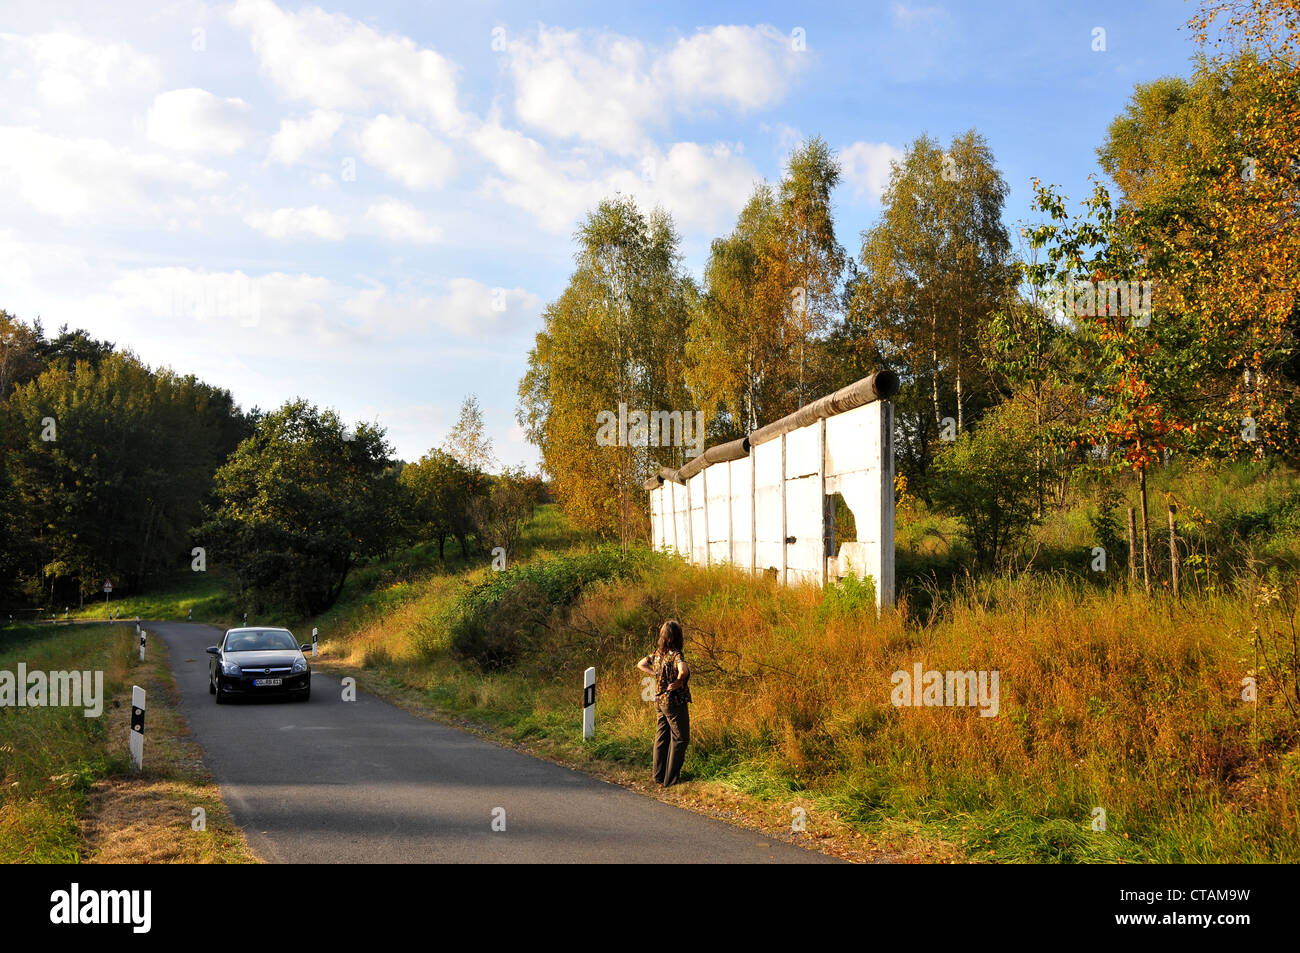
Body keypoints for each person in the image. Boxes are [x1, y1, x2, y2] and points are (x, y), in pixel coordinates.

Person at [636, 620, 691, 787]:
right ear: (677, 636)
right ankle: (672, 779)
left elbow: (640, 664)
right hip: (673, 701)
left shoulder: (657, 655)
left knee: (662, 737)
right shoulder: (676, 655)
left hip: (658, 700)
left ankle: (658, 776)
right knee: (680, 738)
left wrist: (656, 674)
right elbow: (683, 670)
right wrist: (679, 681)